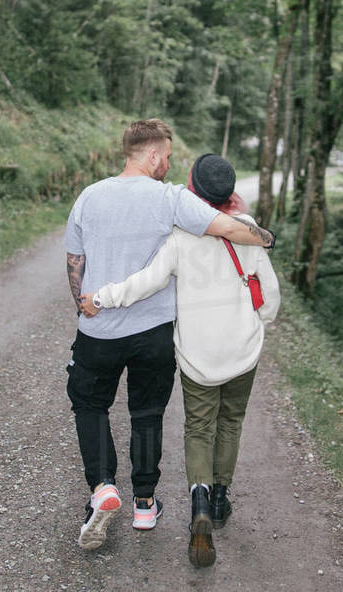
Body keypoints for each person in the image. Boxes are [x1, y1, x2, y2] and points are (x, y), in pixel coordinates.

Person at [64, 120, 274, 551]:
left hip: (98, 331)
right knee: (146, 413)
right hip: (152, 332)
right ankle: (144, 502)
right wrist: (266, 238)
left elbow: (75, 261)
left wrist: (86, 304)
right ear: (154, 155)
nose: (171, 163)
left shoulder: (89, 196)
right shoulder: (170, 198)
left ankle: (102, 486)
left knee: (90, 405)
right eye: (169, 156)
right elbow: (230, 228)